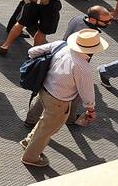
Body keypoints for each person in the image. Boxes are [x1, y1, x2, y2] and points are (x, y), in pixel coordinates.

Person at [21, 29, 109, 167]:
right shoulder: (83, 67)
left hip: (43, 88)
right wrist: (91, 110)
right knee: (48, 129)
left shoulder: (60, 45)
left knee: (45, 123)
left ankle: (29, 141)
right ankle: (31, 157)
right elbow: (87, 93)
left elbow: (32, 52)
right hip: (59, 101)